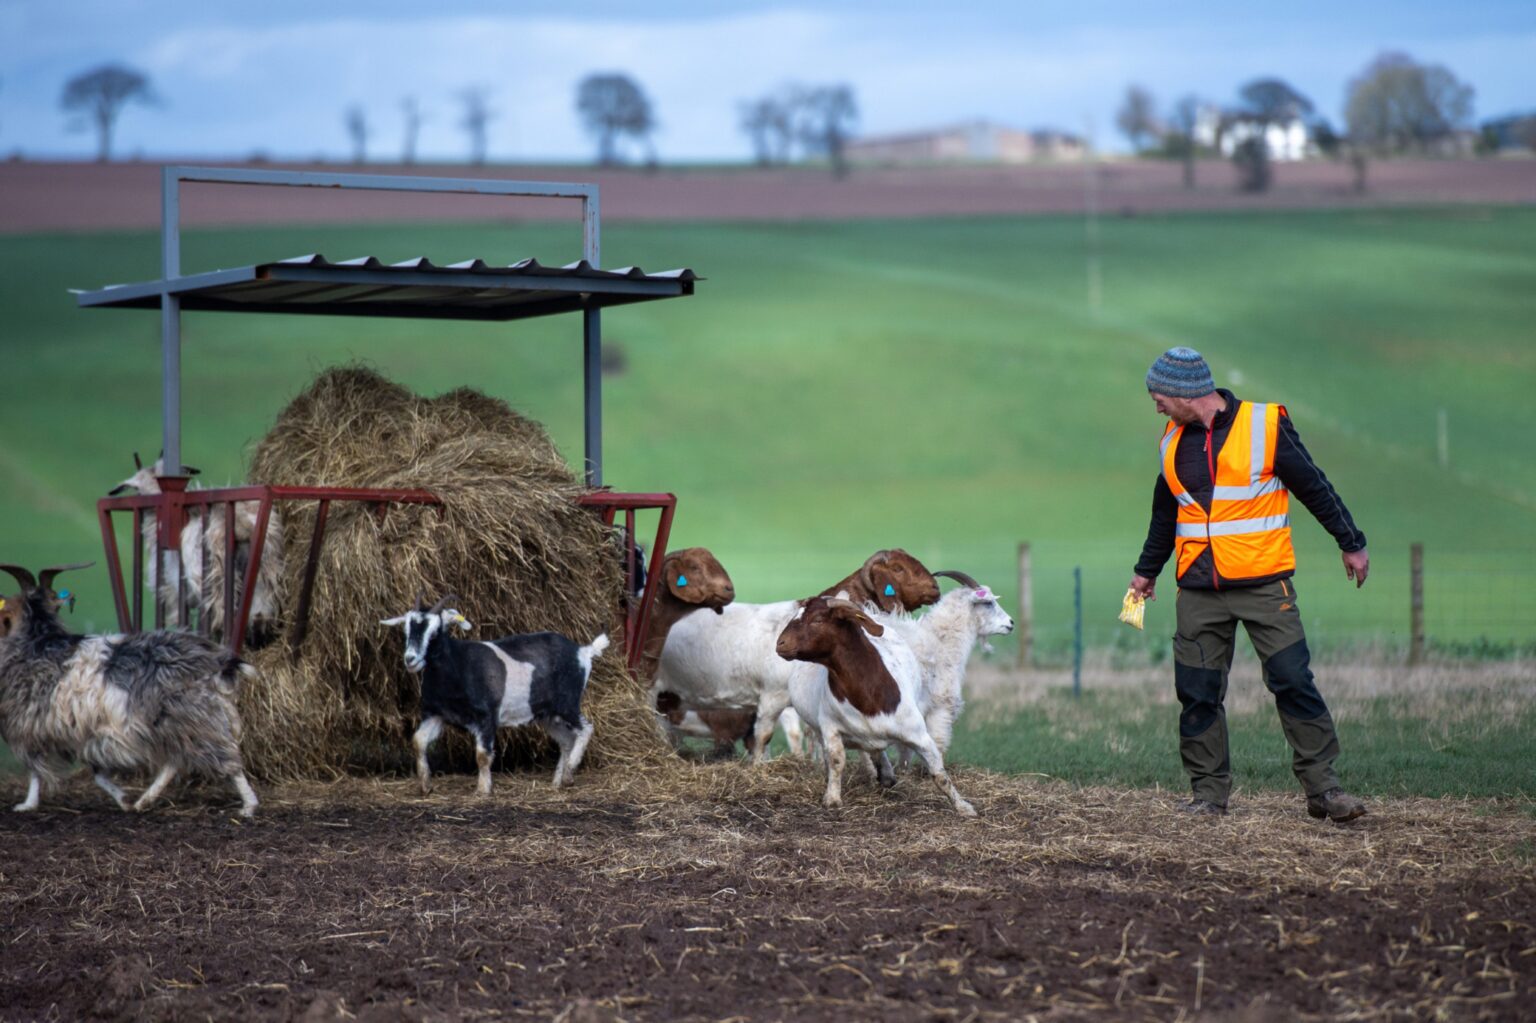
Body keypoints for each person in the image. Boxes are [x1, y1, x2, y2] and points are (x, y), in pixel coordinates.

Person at [1130, 347, 1369, 822]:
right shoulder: (1171, 440)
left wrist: (1351, 541)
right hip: (1198, 589)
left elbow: (1313, 486)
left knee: (1293, 681)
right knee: (1197, 692)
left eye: (1159, 399)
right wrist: (1146, 570)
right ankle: (1208, 796)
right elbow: (1166, 511)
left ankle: (1324, 790)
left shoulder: (1264, 426)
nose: (1156, 408)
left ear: (1184, 393)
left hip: (1264, 586)